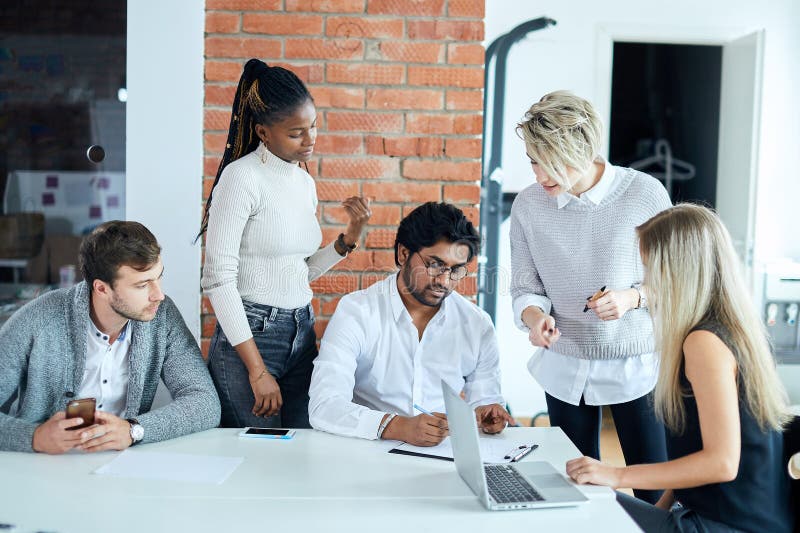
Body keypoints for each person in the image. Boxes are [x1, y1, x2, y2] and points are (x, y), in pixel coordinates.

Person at [566, 204, 793, 532]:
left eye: (650, 270)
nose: (648, 283)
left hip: (725, 524)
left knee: (578, 509)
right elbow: (700, 445)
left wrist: (617, 475)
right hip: (721, 516)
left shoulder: (704, 343)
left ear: (679, 271)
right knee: (582, 497)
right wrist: (659, 511)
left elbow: (722, 462)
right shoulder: (730, 330)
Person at [510, 90, 671, 503]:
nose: (540, 174)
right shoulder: (528, 206)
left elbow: (674, 278)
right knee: (574, 486)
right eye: (532, 160)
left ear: (581, 149)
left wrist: (632, 298)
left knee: (651, 486)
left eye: (551, 161)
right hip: (565, 366)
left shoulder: (644, 194)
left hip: (636, 363)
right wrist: (534, 319)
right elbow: (526, 286)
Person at [200, 58, 370, 429]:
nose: (310, 140)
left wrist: (348, 240)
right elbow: (217, 279)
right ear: (263, 132)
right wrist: (257, 370)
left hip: (301, 333)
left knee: (303, 453)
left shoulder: (303, 182)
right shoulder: (242, 178)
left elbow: (298, 271)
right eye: (297, 133)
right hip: (253, 338)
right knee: (255, 461)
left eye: (313, 127)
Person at [0, 221, 220, 454]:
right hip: (42, 466)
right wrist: (33, 437)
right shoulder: (38, 318)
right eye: (143, 285)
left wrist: (133, 430)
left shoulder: (161, 316)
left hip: (120, 466)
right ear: (102, 289)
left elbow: (205, 403)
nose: (159, 295)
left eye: (159, 277)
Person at [309, 202, 514, 446]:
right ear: (403, 254)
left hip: (442, 457)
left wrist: (487, 412)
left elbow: (485, 398)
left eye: (457, 270)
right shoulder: (357, 312)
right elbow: (324, 406)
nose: (445, 281)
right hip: (367, 453)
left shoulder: (477, 324)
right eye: (435, 265)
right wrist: (396, 426)